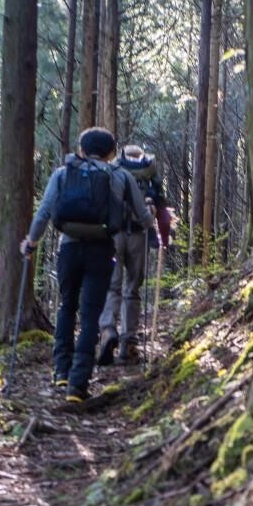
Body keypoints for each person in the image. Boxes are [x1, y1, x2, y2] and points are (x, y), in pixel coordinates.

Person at [21, 128, 153, 403]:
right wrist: (150, 216)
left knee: (66, 306)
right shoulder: (119, 175)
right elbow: (143, 217)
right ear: (111, 152)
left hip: (69, 247)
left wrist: (31, 243)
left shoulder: (62, 173)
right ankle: (78, 384)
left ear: (81, 149)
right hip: (101, 250)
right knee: (91, 315)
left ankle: (61, 370)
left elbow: (45, 211)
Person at [97, 144, 172, 366]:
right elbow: (164, 213)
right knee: (132, 288)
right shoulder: (151, 173)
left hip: (113, 235)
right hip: (138, 235)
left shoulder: (113, 170)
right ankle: (128, 344)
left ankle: (108, 330)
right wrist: (164, 240)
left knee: (112, 286)